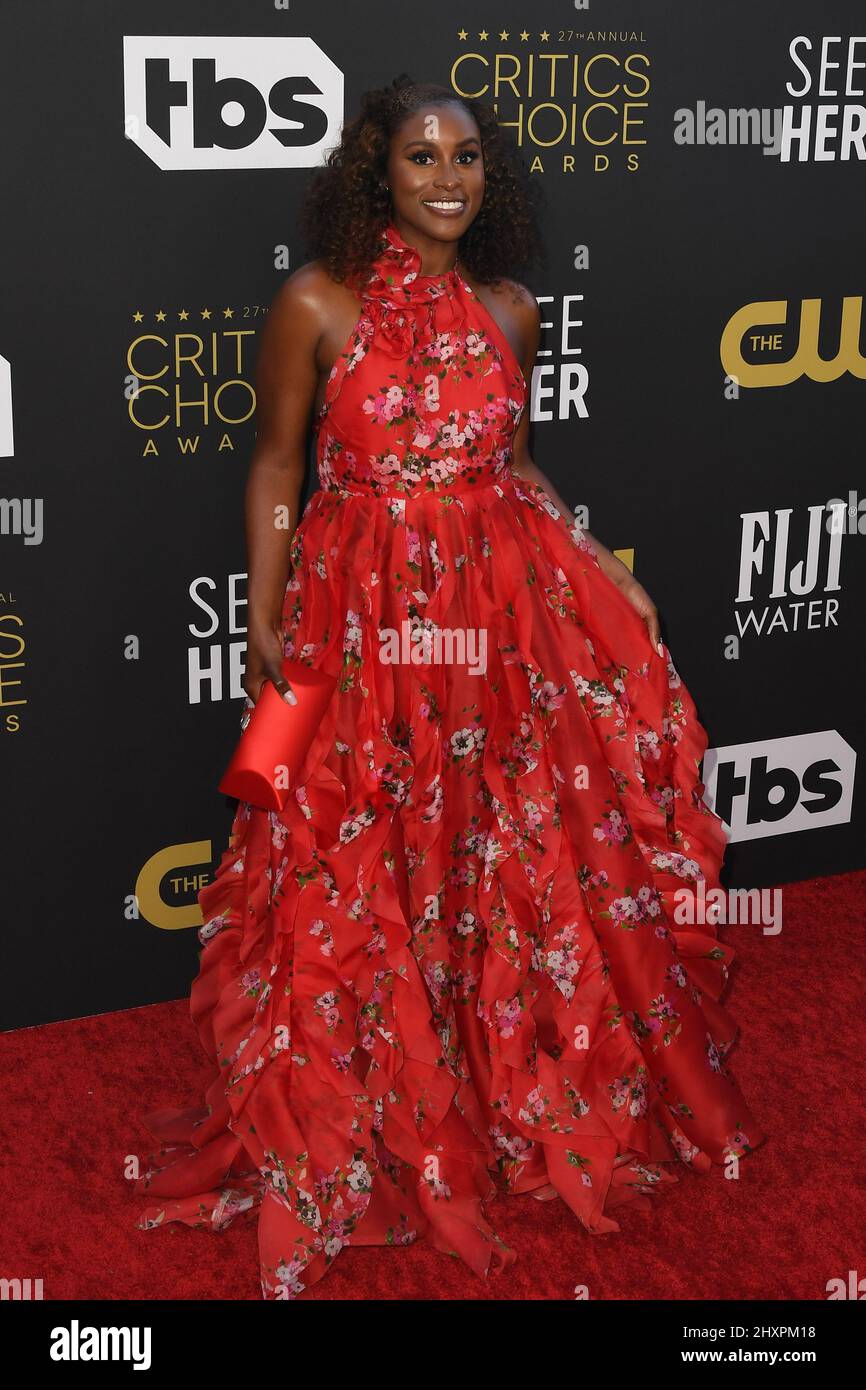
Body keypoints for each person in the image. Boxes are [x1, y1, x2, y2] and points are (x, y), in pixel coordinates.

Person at [133, 76, 765, 1300]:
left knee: (496, 843)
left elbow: (516, 464)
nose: (445, 176)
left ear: (489, 177)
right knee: (354, 854)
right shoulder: (316, 304)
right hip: (360, 618)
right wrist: (264, 609)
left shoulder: (511, 309)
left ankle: (493, 1071)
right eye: (419, 155)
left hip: (494, 615)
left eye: (465, 157)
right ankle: (369, 1088)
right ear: (379, 171)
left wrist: (594, 563)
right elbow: (275, 458)